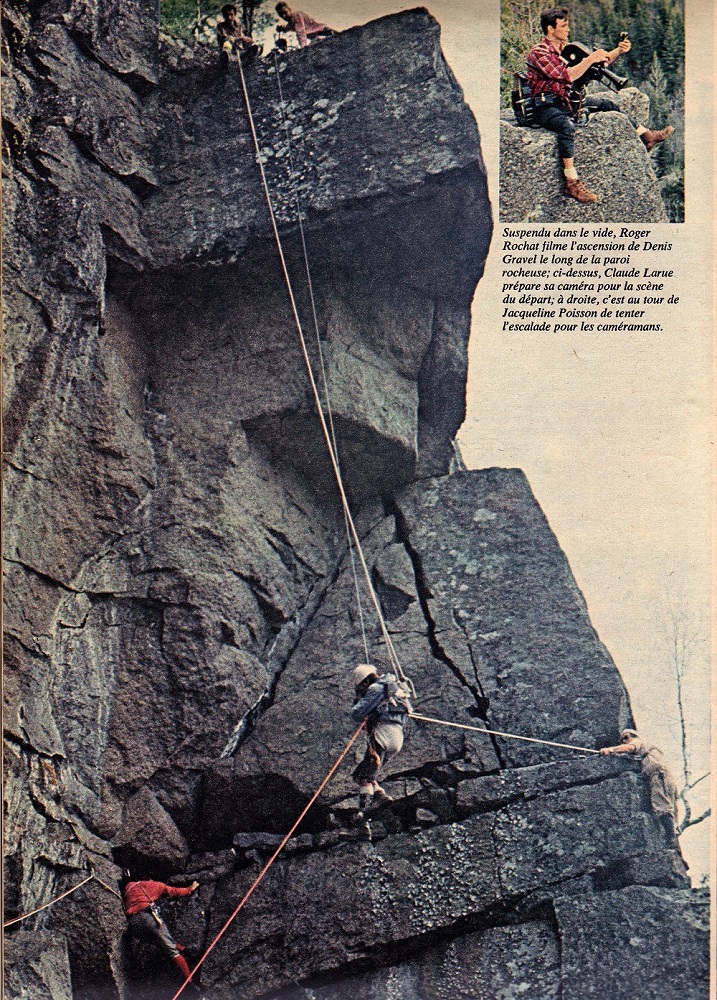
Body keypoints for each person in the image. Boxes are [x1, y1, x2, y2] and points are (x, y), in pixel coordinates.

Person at [526, 7, 674, 203]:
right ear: (550, 29)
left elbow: (598, 64)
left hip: (567, 100)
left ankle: (646, 135)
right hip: (545, 106)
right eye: (563, 26)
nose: (568, 29)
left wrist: (617, 51)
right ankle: (571, 182)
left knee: (608, 104)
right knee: (566, 127)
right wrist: (589, 59)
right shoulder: (539, 53)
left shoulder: (567, 48)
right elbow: (567, 76)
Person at [599, 729, 682, 853]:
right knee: (670, 811)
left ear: (629, 736)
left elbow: (630, 747)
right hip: (665, 776)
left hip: (659, 775)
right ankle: (676, 847)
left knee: (662, 806)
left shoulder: (638, 741)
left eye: (624, 739)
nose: (624, 741)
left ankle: (672, 842)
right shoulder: (646, 752)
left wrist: (611, 750)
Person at [350, 663, 412, 813]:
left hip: (383, 735)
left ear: (365, 681)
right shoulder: (395, 688)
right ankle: (380, 795)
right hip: (396, 737)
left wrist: (360, 702)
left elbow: (356, 714)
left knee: (362, 777)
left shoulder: (377, 688)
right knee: (369, 773)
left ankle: (362, 820)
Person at [120, 871, 200, 983]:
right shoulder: (151, 885)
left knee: (159, 940)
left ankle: (185, 950)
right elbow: (173, 891)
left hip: (134, 925)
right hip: (147, 917)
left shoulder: (128, 889)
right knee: (171, 950)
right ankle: (189, 981)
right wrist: (190, 890)